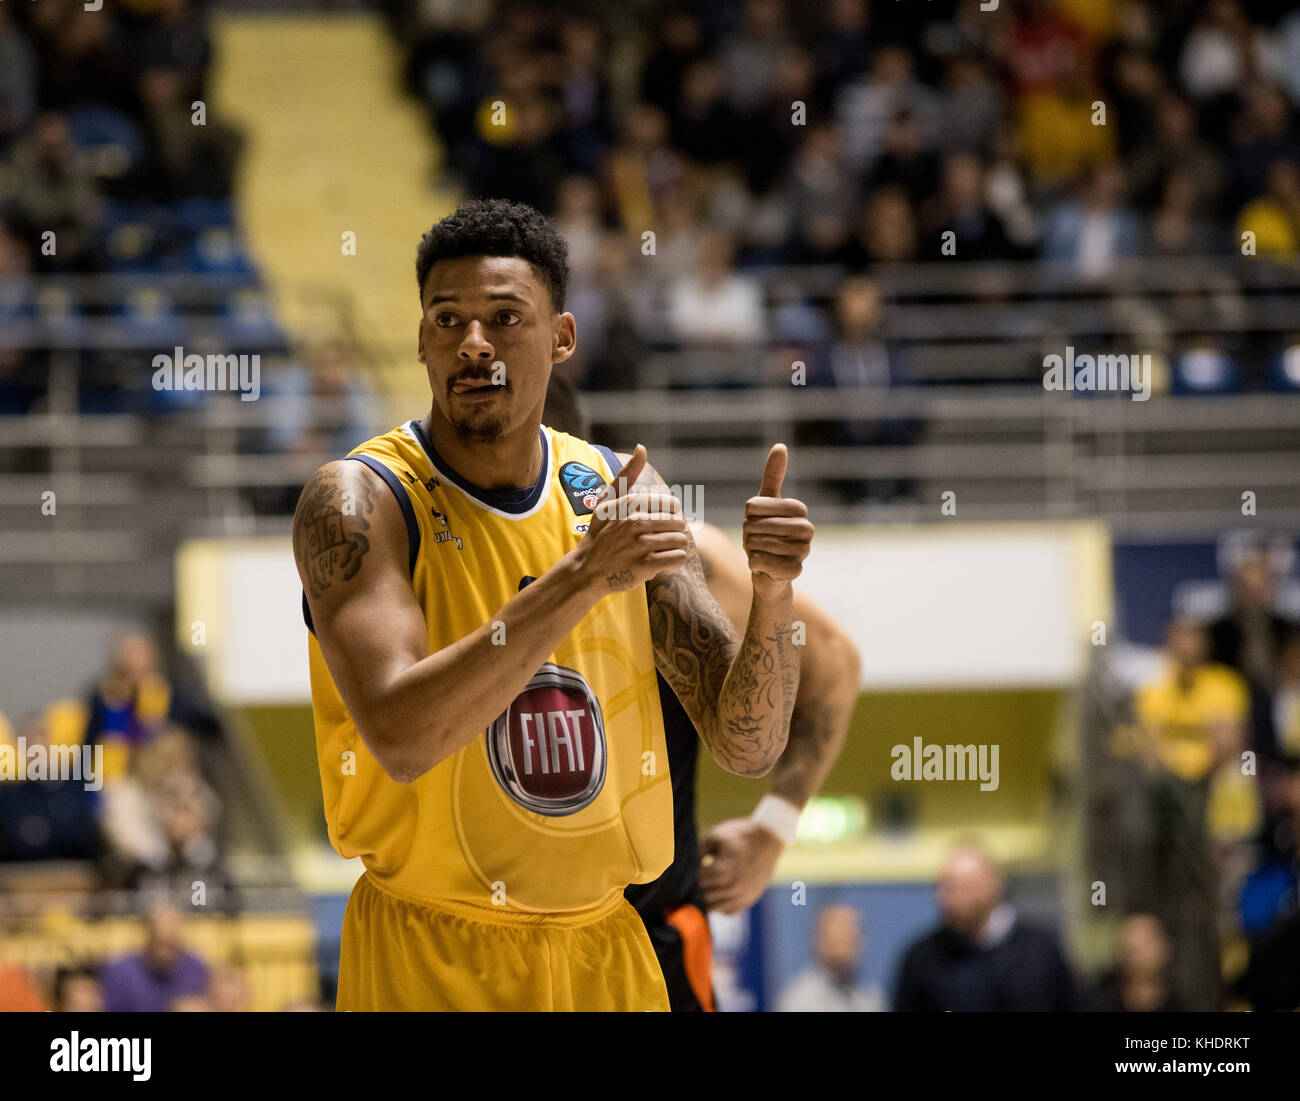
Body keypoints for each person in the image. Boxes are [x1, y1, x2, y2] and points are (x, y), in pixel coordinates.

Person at [292, 198, 814, 1011]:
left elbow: (745, 742)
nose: (474, 342)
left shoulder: (619, 486)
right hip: (430, 950)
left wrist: (775, 596)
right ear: (422, 341)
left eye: (505, 318)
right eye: (449, 319)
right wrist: (580, 577)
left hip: (606, 949)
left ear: (562, 338)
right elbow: (400, 735)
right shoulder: (360, 499)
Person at [542, 370, 861, 1011]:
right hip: (489, 937)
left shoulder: (676, 552)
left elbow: (834, 662)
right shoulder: (442, 545)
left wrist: (777, 823)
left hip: (650, 933)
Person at [893, 843, 1076, 1012]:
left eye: (960, 887)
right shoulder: (923, 957)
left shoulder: (1039, 952)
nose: (946, 899)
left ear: (994, 886)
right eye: (943, 887)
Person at [99, 902, 209, 1012]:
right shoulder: (121, 972)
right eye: (160, 942)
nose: (165, 952)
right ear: (147, 935)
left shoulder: (195, 968)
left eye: (171, 944)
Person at [777, 905, 885, 1012]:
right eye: (839, 940)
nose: (846, 948)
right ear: (819, 942)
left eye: (853, 938)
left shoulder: (871, 996)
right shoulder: (799, 999)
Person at [1088, 913, 1185, 1012]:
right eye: (1132, 949)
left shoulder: (1182, 999)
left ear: (1164, 947)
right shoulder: (1098, 996)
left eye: (1146, 946)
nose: (1138, 958)